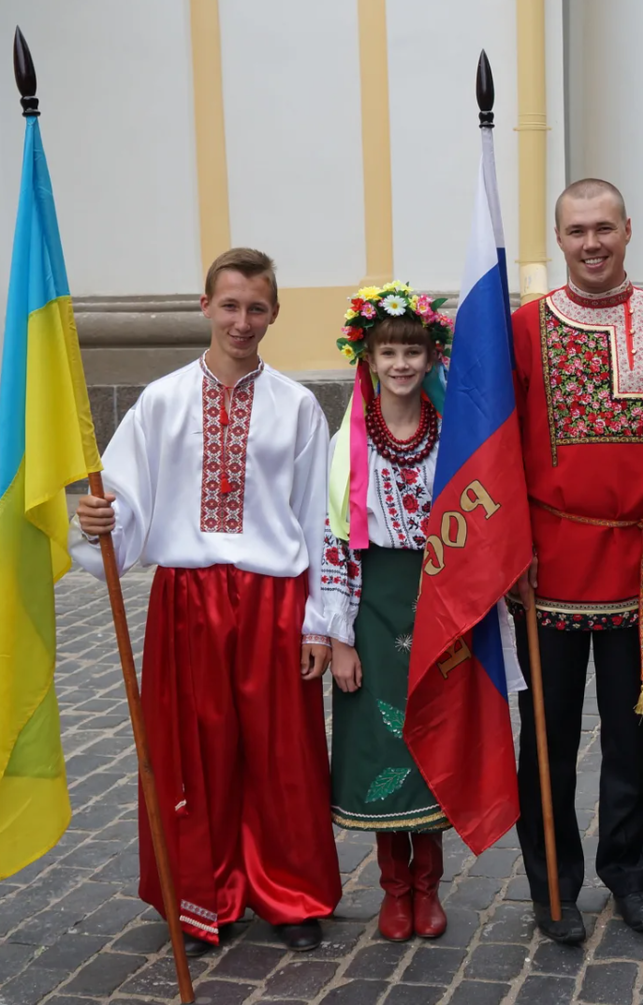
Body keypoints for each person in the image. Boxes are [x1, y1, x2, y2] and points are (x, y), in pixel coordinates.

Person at [71, 248, 341, 955]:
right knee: (194, 750)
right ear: (205, 307)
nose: (242, 321)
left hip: (274, 598)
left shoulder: (298, 407)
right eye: (230, 305)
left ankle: (290, 893)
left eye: (256, 307)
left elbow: (318, 517)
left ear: (274, 313)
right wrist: (103, 523)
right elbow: (126, 499)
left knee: (282, 754)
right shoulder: (161, 401)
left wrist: (319, 620)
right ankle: (201, 894)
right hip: (189, 598)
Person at [509, 179, 643, 944]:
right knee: (548, 736)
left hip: (639, 562)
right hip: (546, 566)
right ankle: (552, 885)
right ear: (560, 238)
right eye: (577, 231)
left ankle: (628, 873)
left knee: (632, 734)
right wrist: (506, 552)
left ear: (628, 231)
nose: (592, 243)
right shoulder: (522, 329)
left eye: (604, 228)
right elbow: (496, 450)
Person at [322, 283, 453, 943]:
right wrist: (338, 638)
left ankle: (427, 884)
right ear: (367, 358)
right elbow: (337, 543)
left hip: (438, 604)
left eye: (411, 350)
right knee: (380, 743)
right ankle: (393, 889)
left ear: (431, 357)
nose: (400, 363)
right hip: (373, 611)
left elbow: (475, 522)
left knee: (431, 742)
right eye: (387, 351)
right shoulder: (349, 444)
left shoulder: (451, 435)